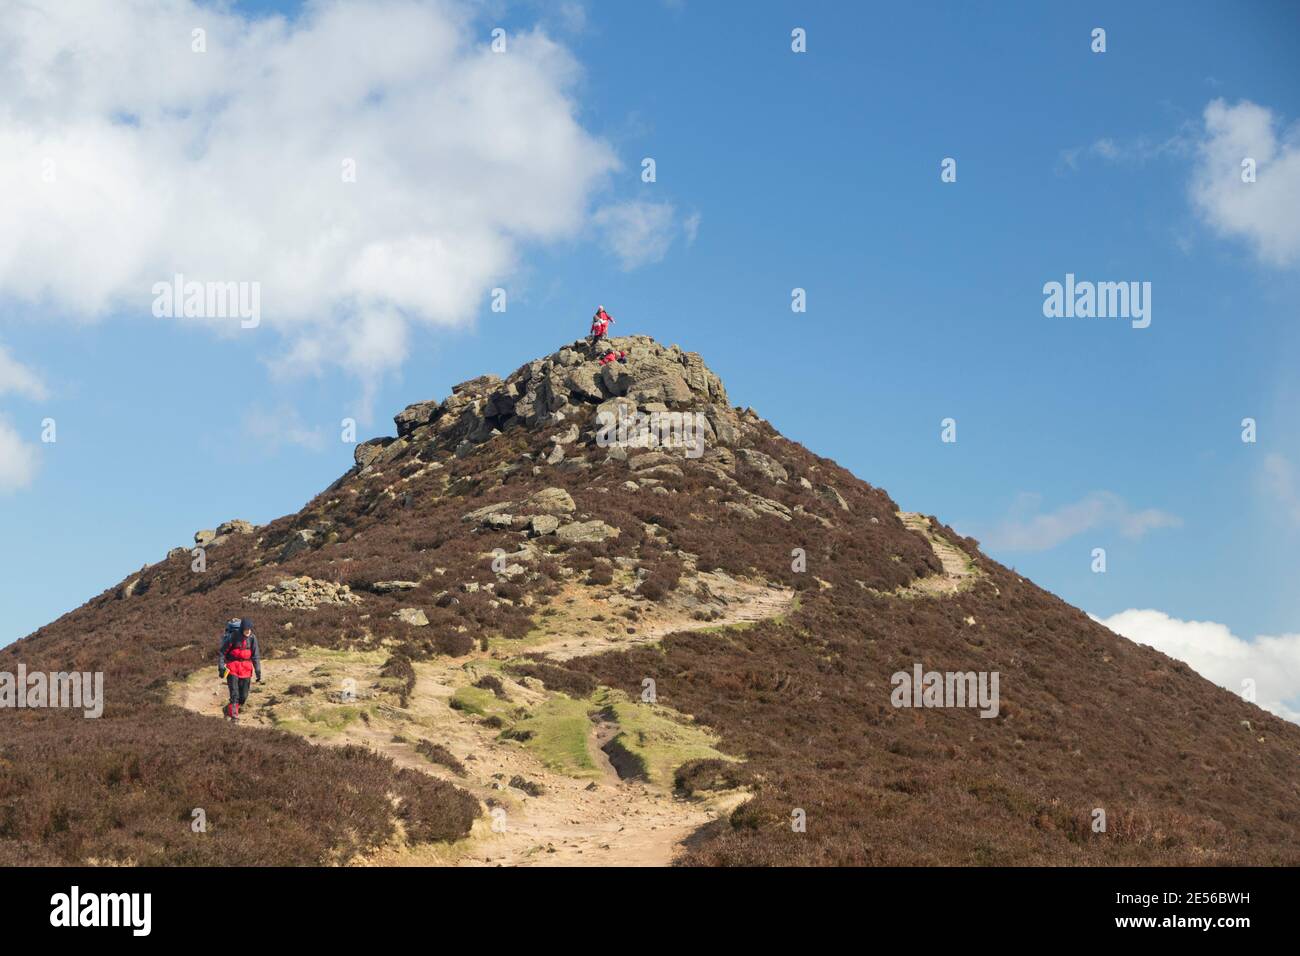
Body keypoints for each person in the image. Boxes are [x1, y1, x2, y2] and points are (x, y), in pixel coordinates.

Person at [218, 617, 261, 721]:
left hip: (246, 668)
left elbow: (255, 656)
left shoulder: (252, 638)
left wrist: (258, 671)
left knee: (244, 695)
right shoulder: (233, 637)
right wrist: (221, 666)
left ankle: (232, 707)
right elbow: (222, 653)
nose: (248, 631)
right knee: (234, 693)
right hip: (232, 667)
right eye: (246, 629)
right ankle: (234, 715)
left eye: (250, 629)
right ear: (242, 629)